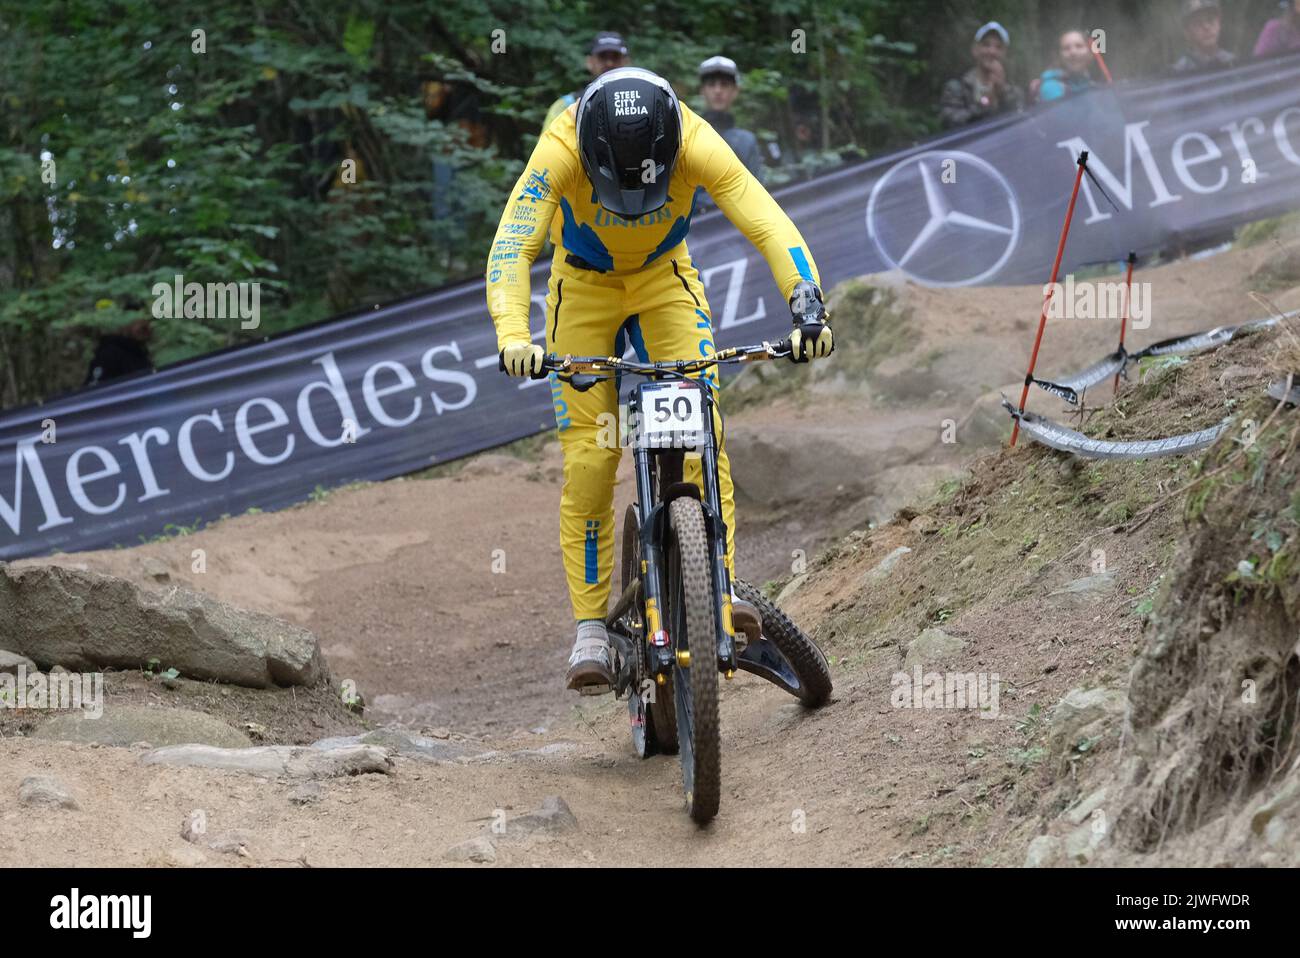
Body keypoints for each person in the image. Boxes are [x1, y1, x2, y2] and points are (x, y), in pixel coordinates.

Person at [485, 67, 834, 692]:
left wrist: (806, 303)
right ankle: (591, 627)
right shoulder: (560, 145)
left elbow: (765, 219)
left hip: (663, 279)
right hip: (582, 289)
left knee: (703, 430)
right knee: (592, 459)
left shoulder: (695, 139)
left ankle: (717, 588)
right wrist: (514, 334)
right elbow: (513, 245)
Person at [939, 21, 1024, 128]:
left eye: (998, 47)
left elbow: (1020, 123)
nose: (992, 51)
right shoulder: (956, 89)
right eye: (986, 44)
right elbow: (949, 122)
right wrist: (985, 104)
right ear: (975, 50)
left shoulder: (1015, 93)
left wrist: (1002, 92)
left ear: (1004, 54)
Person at [542, 31, 630, 131]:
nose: (609, 63)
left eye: (615, 57)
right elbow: (549, 144)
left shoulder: (640, 102)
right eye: (602, 56)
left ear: (626, 62)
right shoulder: (566, 105)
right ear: (589, 62)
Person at [697, 56, 764, 177]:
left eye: (724, 84)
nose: (718, 90)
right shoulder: (687, 136)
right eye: (711, 84)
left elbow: (759, 190)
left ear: (735, 91)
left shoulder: (747, 141)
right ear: (702, 91)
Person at [84, 312, 154, 386]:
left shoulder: (140, 353)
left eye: (146, 322)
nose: (143, 325)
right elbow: (94, 389)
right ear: (124, 325)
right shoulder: (109, 354)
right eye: (136, 322)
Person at [1171, 0, 1237, 73]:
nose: (1206, 27)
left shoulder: (1232, 62)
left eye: (1210, 19)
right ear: (1187, 33)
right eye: (1198, 23)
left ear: (1219, 24)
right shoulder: (1179, 72)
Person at [1035, 30, 1095, 102]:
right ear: (1059, 56)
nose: (1073, 52)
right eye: (1066, 48)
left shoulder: (1090, 83)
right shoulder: (1051, 87)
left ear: (1089, 53)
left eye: (1079, 46)